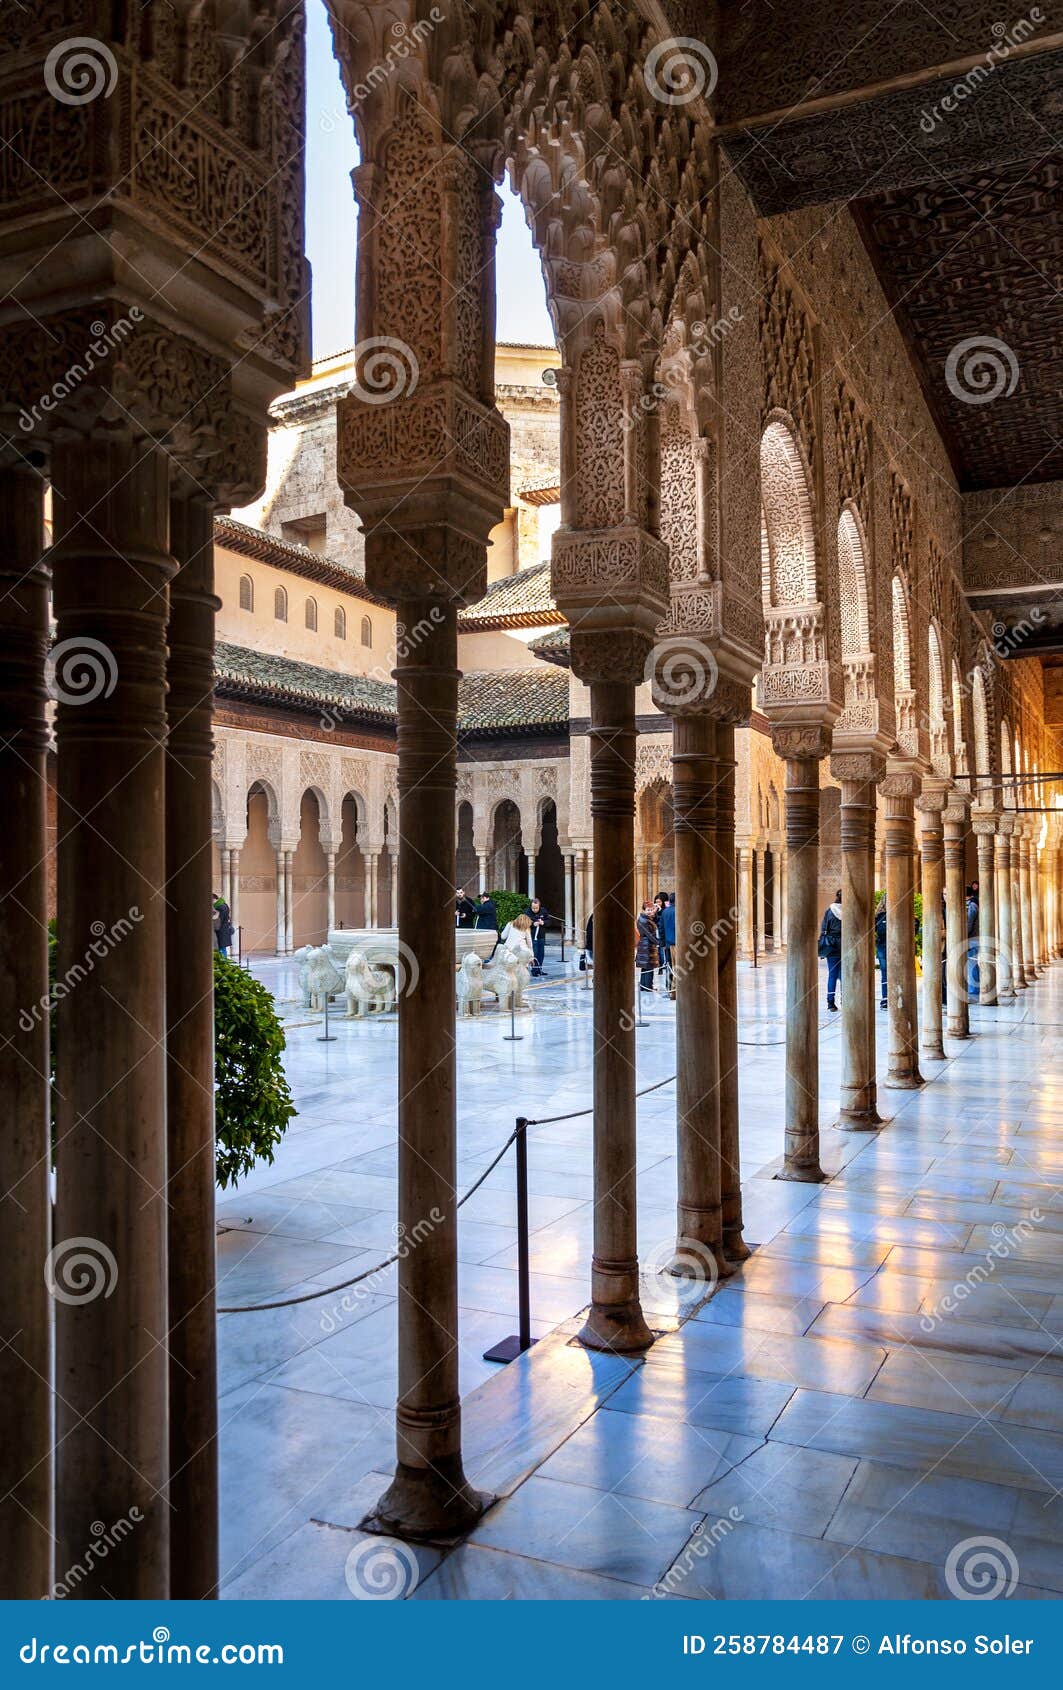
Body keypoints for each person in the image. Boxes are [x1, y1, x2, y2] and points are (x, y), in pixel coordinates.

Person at [818, 889, 843, 1012]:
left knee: (832, 975)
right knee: (844, 975)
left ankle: (830, 1002)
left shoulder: (829, 911)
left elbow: (824, 929)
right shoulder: (849, 911)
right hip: (845, 945)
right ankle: (845, 999)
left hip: (832, 946)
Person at [655, 891, 676, 992]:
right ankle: (676, 989)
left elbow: (661, 929)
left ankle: (669, 987)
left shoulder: (665, 912)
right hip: (677, 944)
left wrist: (662, 944)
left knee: (670, 966)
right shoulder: (679, 911)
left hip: (667, 944)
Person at [636, 900, 659, 992]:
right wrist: (658, 942)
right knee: (649, 966)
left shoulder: (646, 918)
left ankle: (643, 986)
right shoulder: (644, 920)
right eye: (648, 910)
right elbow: (649, 934)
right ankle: (648, 987)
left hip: (645, 944)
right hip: (647, 944)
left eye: (651, 909)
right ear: (644, 910)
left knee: (645, 967)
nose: (650, 911)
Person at [528, 897, 550, 975]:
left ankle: (539, 969)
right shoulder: (527, 912)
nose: (534, 909)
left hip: (541, 936)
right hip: (532, 936)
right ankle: (534, 970)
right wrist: (533, 924)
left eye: (536, 908)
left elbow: (549, 921)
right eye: (533, 908)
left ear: (539, 906)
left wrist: (543, 922)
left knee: (541, 954)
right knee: (534, 953)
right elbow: (525, 922)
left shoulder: (543, 911)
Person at [966, 884, 980, 998]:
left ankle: (974, 990)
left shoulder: (971, 906)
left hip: (972, 941)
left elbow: (968, 925)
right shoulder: (972, 905)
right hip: (972, 940)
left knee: (972, 965)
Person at [874, 891, 887, 1009]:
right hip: (882, 947)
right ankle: (885, 998)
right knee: (885, 973)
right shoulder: (879, 917)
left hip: (898, 949)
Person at [212, 893, 233, 959]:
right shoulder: (223, 905)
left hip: (221, 931)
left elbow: (219, 921)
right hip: (223, 930)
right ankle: (224, 961)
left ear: (213, 899)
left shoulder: (220, 907)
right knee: (222, 949)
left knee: (221, 949)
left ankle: (223, 962)